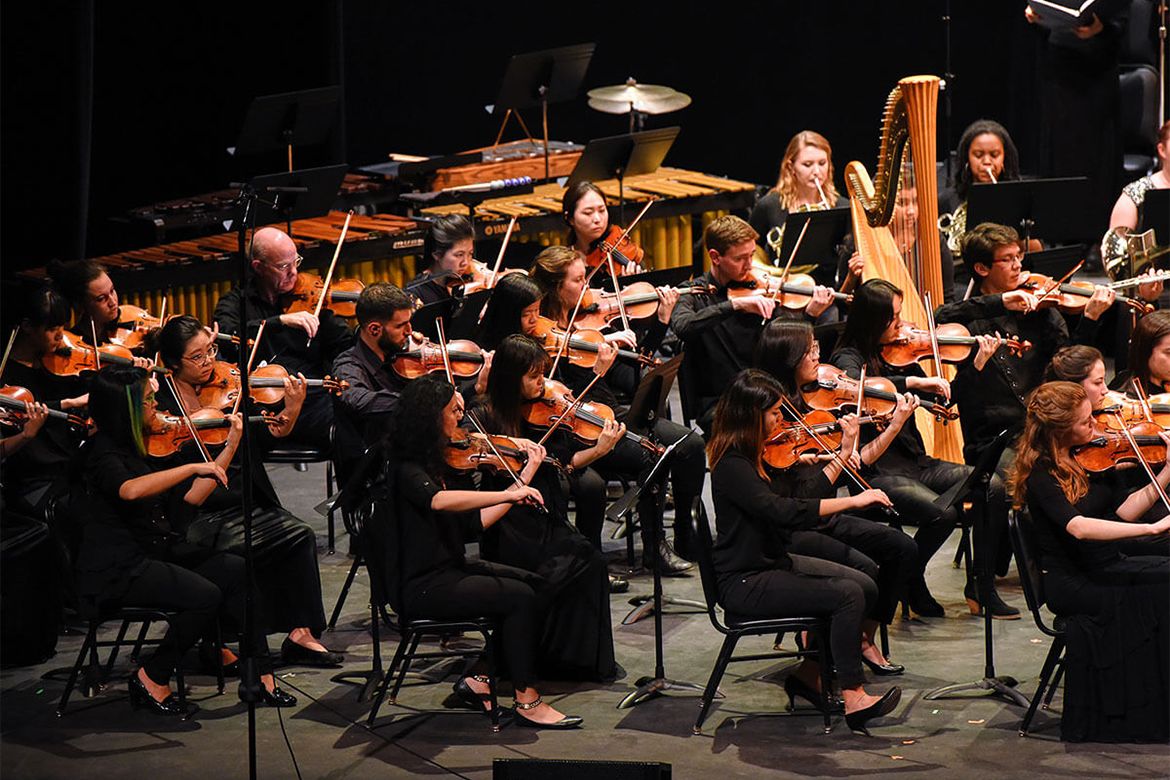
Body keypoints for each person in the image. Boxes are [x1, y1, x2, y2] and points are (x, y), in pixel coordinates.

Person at [76, 365, 294, 714]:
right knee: (204, 596)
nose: (158, 409)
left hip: (155, 550)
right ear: (126, 410)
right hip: (118, 566)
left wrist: (229, 448)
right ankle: (152, 676)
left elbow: (192, 498)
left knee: (237, 569)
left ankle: (261, 675)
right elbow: (129, 491)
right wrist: (191, 467)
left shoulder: (145, 446)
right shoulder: (102, 453)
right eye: (148, 401)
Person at [707, 369, 901, 734]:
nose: (781, 420)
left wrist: (836, 458)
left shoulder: (756, 455)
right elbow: (786, 512)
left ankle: (809, 676)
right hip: (746, 579)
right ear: (750, 415)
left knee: (866, 584)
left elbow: (798, 496)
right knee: (846, 595)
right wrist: (853, 502)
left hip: (771, 562)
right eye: (774, 413)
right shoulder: (733, 465)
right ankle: (854, 696)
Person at [389, 374, 584, 727]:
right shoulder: (406, 469)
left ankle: (480, 677)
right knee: (519, 598)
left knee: (539, 587)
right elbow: (437, 501)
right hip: (422, 585)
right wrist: (506, 494)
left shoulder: (440, 463)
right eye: (452, 412)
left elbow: (474, 525)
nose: (460, 420)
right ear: (430, 417)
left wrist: (523, 480)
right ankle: (527, 701)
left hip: (451, 568)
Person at [149, 315, 342, 669]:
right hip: (196, 512)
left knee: (299, 535)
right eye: (198, 357)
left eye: (211, 350)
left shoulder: (230, 388)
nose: (210, 361)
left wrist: (293, 407)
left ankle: (302, 633)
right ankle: (217, 638)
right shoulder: (161, 405)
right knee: (231, 554)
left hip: (242, 497)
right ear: (172, 363)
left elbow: (272, 434)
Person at [834, 278, 1018, 618]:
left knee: (991, 486)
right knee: (942, 513)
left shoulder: (898, 355)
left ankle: (980, 584)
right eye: (895, 319)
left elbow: (945, 399)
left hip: (916, 462)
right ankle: (909, 576)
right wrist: (913, 382)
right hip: (877, 469)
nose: (904, 327)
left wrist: (973, 367)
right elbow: (856, 391)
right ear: (874, 322)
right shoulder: (849, 357)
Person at [1007, 380, 1169, 742]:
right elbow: (1078, 528)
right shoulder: (1042, 476)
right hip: (1074, 582)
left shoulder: (1086, 459)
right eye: (1085, 422)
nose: (1095, 426)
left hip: (1104, 565)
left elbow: (1123, 512)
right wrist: (1153, 530)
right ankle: (1146, 713)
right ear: (1059, 431)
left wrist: (1167, 472)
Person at [754, 318, 920, 665]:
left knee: (903, 547)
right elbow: (806, 496)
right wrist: (840, 456)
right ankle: (825, 649)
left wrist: (894, 425)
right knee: (866, 572)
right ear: (788, 358)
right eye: (809, 350)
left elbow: (855, 464)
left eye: (816, 347)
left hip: (824, 517)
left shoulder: (810, 407)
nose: (818, 356)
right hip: (795, 526)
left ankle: (864, 637)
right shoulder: (770, 416)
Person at [529, 245, 706, 563]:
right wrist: (597, 371)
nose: (588, 288)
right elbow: (558, 400)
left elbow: (636, 371)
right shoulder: (539, 336)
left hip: (612, 412)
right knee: (655, 454)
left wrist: (660, 323)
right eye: (579, 280)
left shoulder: (588, 325)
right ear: (557, 287)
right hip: (579, 425)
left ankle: (687, 537)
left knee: (690, 444)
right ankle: (655, 547)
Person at [471, 334, 617, 681]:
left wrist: (599, 450)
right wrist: (509, 447)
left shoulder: (544, 410)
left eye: (542, 373)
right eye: (534, 376)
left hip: (546, 514)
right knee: (563, 570)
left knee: (592, 562)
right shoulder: (484, 415)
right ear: (511, 378)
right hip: (510, 524)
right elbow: (471, 443)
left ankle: (570, 659)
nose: (543, 382)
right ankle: (530, 655)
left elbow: (565, 461)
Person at [935, 222, 1113, 466]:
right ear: (981, 268)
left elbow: (1069, 366)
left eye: (1018, 256)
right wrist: (1001, 302)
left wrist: (1090, 319)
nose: (1018, 266)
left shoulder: (1040, 309)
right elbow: (938, 315)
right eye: (1007, 259)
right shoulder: (968, 319)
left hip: (1045, 429)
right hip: (995, 440)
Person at [671, 215, 833, 433]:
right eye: (740, 259)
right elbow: (682, 326)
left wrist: (809, 316)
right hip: (723, 403)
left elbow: (783, 349)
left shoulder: (759, 289)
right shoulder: (694, 294)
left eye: (752, 256)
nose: (749, 265)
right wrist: (735, 305)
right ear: (715, 257)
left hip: (767, 394)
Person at [213, 226, 353, 451]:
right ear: (258, 267)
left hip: (317, 394)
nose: (294, 272)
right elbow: (230, 336)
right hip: (272, 406)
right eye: (283, 266)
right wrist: (280, 322)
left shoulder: (312, 300)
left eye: (296, 261)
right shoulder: (235, 303)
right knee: (347, 433)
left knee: (362, 420)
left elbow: (343, 344)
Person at [0, 286, 89, 516]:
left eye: (62, 327)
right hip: (35, 479)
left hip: (71, 466)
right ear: (28, 326)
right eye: (51, 329)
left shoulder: (60, 364)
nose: (60, 336)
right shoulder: (7, 378)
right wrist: (66, 403)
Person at [331, 282, 422, 477]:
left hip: (411, 456)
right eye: (400, 325)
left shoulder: (401, 354)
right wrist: (418, 402)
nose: (409, 331)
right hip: (377, 469)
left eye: (409, 322)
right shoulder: (348, 365)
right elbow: (357, 399)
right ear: (374, 329)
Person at [749, 131, 850, 278]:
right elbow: (750, 247)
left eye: (822, 163)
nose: (816, 171)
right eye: (807, 165)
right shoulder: (769, 205)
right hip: (783, 289)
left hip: (828, 290)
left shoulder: (842, 207)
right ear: (791, 167)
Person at [938, 120, 1023, 266]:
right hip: (961, 278)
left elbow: (1036, 250)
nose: (987, 162)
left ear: (1005, 158)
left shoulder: (1018, 197)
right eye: (978, 155)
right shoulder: (947, 199)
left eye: (994, 155)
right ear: (967, 159)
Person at [562, 181, 644, 275]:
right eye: (588, 213)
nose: (597, 219)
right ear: (570, 218)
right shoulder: (563, 265)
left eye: (602, 210)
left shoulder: (625, 252)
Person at [46, 259, 124, 347]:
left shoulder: (123, 325)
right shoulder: (74, 346)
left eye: (112, 290)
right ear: (80, 305)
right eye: (101, 299)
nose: (113, 302)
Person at [406, 213, 476, 306]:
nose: (466, 262)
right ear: (437, 255)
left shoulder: (467, 282)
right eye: (459, 255)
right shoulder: (416, 294)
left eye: (470, 254)